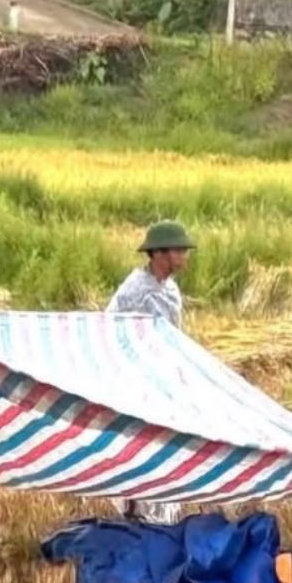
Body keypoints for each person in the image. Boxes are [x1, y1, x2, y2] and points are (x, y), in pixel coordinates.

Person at [105, 220, 196, 524]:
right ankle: (139, 515)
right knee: (140, 444)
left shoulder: (168, 289)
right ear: (159, 254)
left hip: (161, 380)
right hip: (135, 383)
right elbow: (125, 339)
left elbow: (171, 338)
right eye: (179, 250)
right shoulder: (137, 291)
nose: (185, 255)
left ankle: (160, 519)